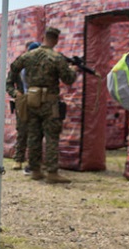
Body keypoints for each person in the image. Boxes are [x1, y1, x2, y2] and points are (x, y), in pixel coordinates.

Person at [6, 26, 78, 184]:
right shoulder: (56, 57)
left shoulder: (28, 56)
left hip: (32, 101)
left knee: (33, 136)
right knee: (51, 136)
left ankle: (35, 170)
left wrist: (13, 92)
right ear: (56, 40)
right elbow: (68, 79)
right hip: (49, 103)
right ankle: (52, 172)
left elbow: (12, 70)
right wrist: (74, 70)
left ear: (43, 37)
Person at [6, 40, 40, 173]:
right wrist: (16, 93)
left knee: (36, 132)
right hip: (23, 101)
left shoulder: (40, 67)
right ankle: (18, 159)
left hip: (37, 101)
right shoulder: (18, 66)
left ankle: (33, 162)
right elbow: (8, 84)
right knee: (22, 131)